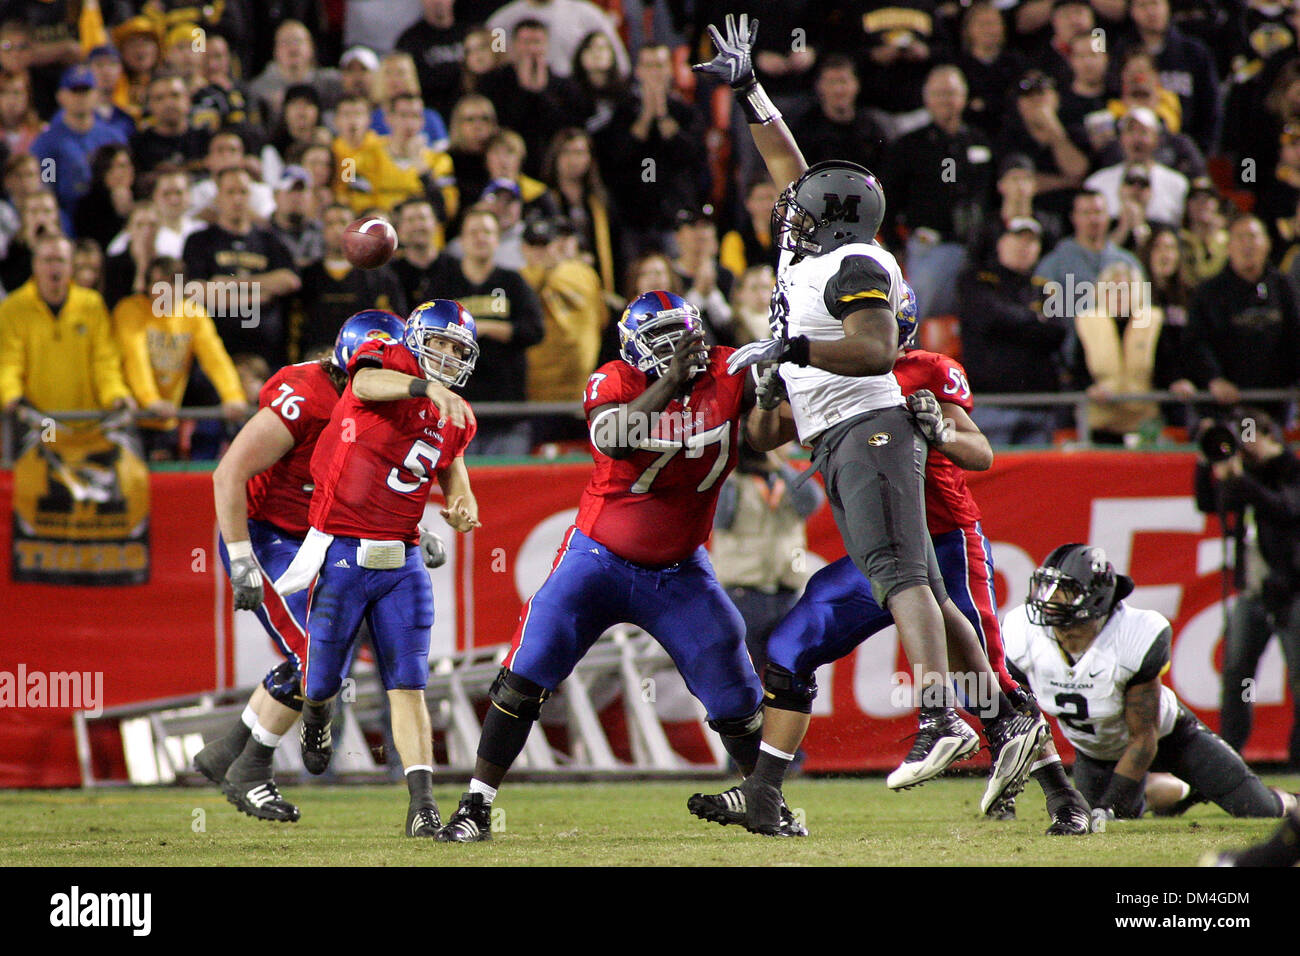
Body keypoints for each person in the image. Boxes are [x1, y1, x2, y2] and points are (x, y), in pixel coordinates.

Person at [693, 15, 1043, 829]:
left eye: (800, 211)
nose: (787, 211)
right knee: (912, 575)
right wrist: (750, 91)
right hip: (837, 435)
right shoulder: (814, 250)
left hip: (869, 427)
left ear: (826, 221)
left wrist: (789, 346)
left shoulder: (858, 263)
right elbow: (793, 169)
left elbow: (875, 348)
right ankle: (1003, 715)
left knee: (902, 577)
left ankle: (940, 718)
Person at [691, 283, 1058, 833]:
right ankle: (764, 792)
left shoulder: (926, 369)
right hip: (874, 550)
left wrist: (940, 431)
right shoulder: (817, 374)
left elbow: (979, 451)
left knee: (989, 674)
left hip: (942, 539)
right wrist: (767, 397)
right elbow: (764, 438)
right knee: (791, 647)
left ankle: (1061, 794)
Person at [436, 290, 774, 843]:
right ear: (635, 347)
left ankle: (766, 800)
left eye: (678, 336)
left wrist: (774, 391)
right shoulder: (614, 380)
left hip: (680, 569)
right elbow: (613, 439)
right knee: (525, 671)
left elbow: (766, 435)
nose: (673, 351)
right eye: (659, 340)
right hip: (599, 561)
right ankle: (476, 806)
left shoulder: (728, 371)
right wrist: (669, 386)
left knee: (734, 685)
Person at [195, 310, 457, 820]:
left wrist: (416, 531)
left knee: (318, 651)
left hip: (319, 537)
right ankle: (249, 769)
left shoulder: (386, 409)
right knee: (314, 654)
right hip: (265, 534)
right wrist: (243, 556)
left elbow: (359, 489)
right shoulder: (310, 396)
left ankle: (229, 753)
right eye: (375, 362)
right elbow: (227, 474)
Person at [278, 300, 481, 837]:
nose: (450, 356)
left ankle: (422, 805)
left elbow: (452, 467)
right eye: (441, 342)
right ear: (415, 341)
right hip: (340, 552)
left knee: (408, 682)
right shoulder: (383, 360)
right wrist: (424, 388)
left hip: (401, 559)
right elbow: (364, 387)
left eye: (459, 349)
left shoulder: (454, 412)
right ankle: (316, 717)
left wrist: (462, 502)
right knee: (320, 681)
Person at [1004, 543, 1299, 821]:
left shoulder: (1131, 634)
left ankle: (1291, 801)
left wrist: (1110, 806)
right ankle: (1184, 792)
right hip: (1096, 753)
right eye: (1046, 588)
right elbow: (1018, 718)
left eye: (1062, 592)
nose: (1048, 600)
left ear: (1094, 597)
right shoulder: (1025, 633)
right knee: (1123, 814)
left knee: (1259, 809)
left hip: (1170, 739)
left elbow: (1144, 739)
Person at [1195, 409, 1300, 771]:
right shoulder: (1244, 475)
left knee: (1298, 676)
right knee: (1238, 673)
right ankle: (1231, 756)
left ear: (1270, 435)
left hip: (1292, 589)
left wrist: (1245, 480)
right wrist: (1208, 461)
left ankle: (1297, 760)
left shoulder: (1290, 468)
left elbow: (1288, 509)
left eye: (1248, 436)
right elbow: (1209, 503)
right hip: (1253, 591)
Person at [112, 255, 249, 460]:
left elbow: (215, 359)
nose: (164, 292)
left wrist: (233, 396)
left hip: (167, 419)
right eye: (158, 284)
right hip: (130, 418)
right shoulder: (130, 310)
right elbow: (135, 359)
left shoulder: (193, 314)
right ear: (147, 286)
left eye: (171, 284)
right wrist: (151, 400)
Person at [0, 234, 134, 422]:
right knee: (44, 444)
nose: (54, 268)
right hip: (41, 423)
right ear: (35, 265)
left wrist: (116, 395)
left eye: (61, 260)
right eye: (48, 260)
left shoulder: (91, 304)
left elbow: (105, 360)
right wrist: (12, 396)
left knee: (131, 449)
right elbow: (8, 363)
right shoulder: (13, 308)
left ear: (71, 267)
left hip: (89, 425)